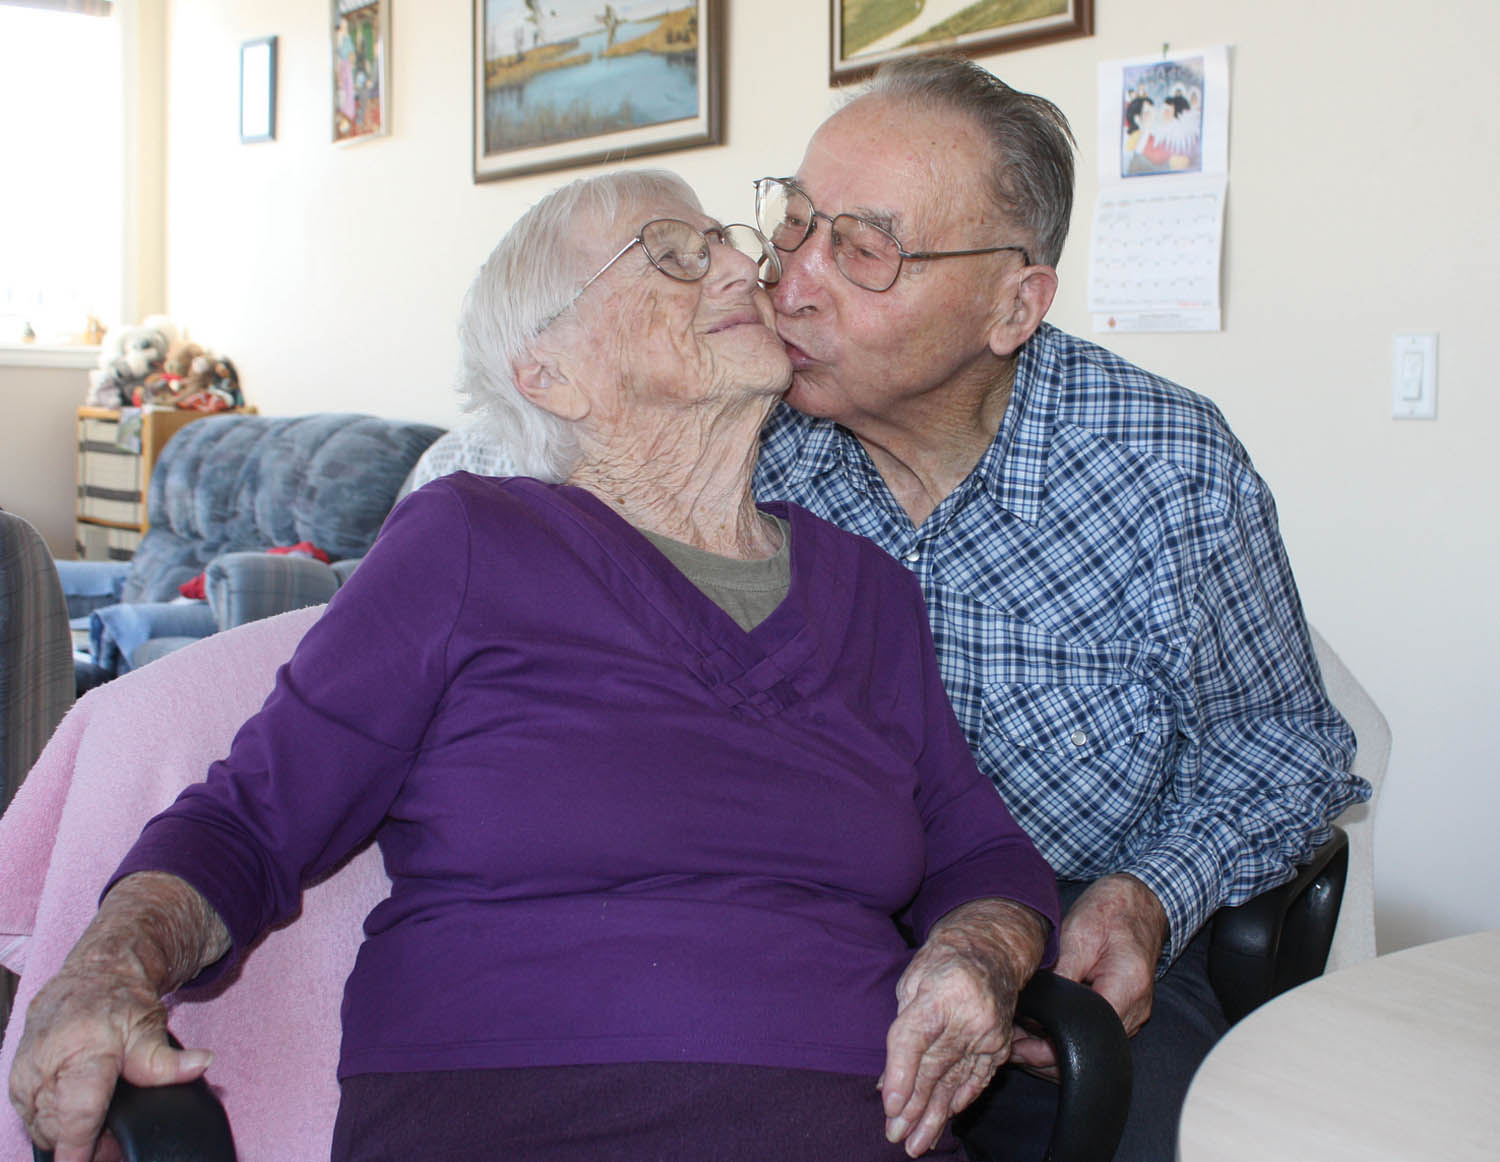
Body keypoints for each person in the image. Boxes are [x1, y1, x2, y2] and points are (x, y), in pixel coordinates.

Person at [8, 170, 1060, 1162]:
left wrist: (981, 953)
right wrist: (108, 970)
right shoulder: (467, 542)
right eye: (672, 254)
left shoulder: (866, 591)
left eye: (728, 245)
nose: (748, 270)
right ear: (546, 371)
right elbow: (251, 818)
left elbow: (982, 855)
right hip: (522, 1122)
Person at [749, 57, 1370, 1162]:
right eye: (793, 224)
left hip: (1076, 955)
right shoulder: (750, 445)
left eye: (861, 249)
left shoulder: (1166, 469)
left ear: (1012, 305)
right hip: (811, 935)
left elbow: (1285, 747)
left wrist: (1152, 896)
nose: (792, 283)